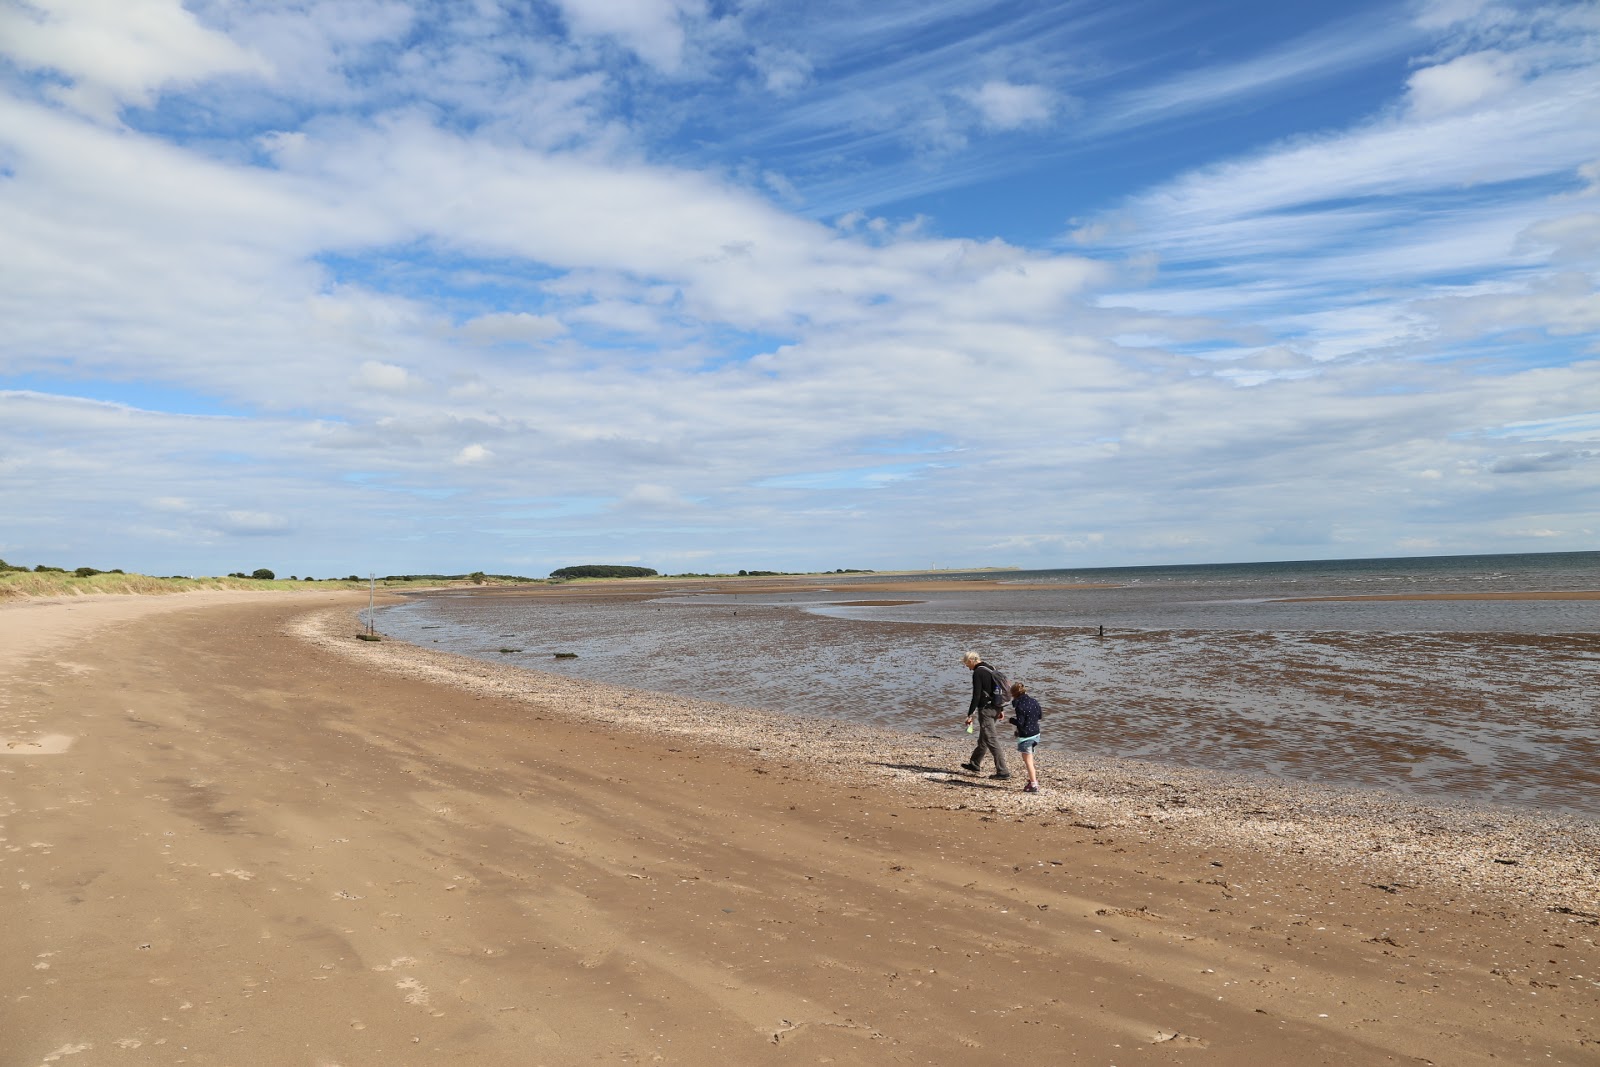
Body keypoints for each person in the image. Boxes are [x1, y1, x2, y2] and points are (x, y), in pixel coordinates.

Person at [959, 651, 1011, 780]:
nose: (967, 666)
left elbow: (976, 695)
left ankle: (1003, 771)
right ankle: (974, 763)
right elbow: (998, 690)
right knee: (984, 737)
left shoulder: (978, 672)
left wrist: (970, 714)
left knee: (991, 739)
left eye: (966, 663)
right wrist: (1001, 709)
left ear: (971, 660)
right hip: (996, 707)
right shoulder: (991, 667)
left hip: (986, 710)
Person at [1008, 681, 1043, 793]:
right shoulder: (1034, 701)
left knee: (1027, 760)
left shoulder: (1020, 706)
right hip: (1036, 733)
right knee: (1029, 758)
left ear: (1014, 695)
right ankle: (1032, 778)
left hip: (1026, 736)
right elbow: (1040, 716)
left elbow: (1020, 723)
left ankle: (1034, 785)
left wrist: (1011, 720)